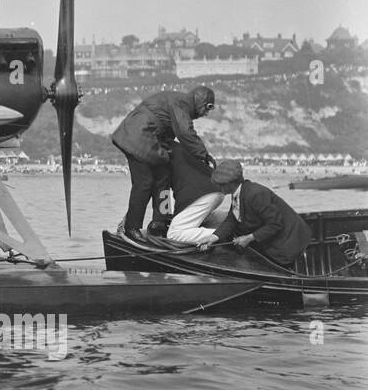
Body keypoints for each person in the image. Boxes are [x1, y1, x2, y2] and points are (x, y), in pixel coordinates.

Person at [111, 85, 216, 238]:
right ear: (200, 101)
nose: (206, 113)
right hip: (137, 137)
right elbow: (185, 132)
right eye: (207, 108)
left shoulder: (178, 102)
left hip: (151, 141)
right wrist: (203, 154)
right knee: (144, 183)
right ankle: (131, 227)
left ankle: (160, 222)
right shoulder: (182, 103)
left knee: (163, 178)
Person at [208, 159, 312, 268]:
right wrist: (214, 237)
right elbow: (232, 218)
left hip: (288, 242)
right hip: (273, 238)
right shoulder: (238, 193)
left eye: (221, 184)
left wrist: (249, 238)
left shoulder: (256, 194)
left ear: (231, 183)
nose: (218, 187)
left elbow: (275, 224)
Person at [165, 143, 229, 245]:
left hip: (201, 194)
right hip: (216, 188)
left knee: (174, 234)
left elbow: (162, 190)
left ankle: (229, 233)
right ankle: (231, 222)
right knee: (202, 218)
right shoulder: (178, 145)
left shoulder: (158, 151)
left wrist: (163, 219)